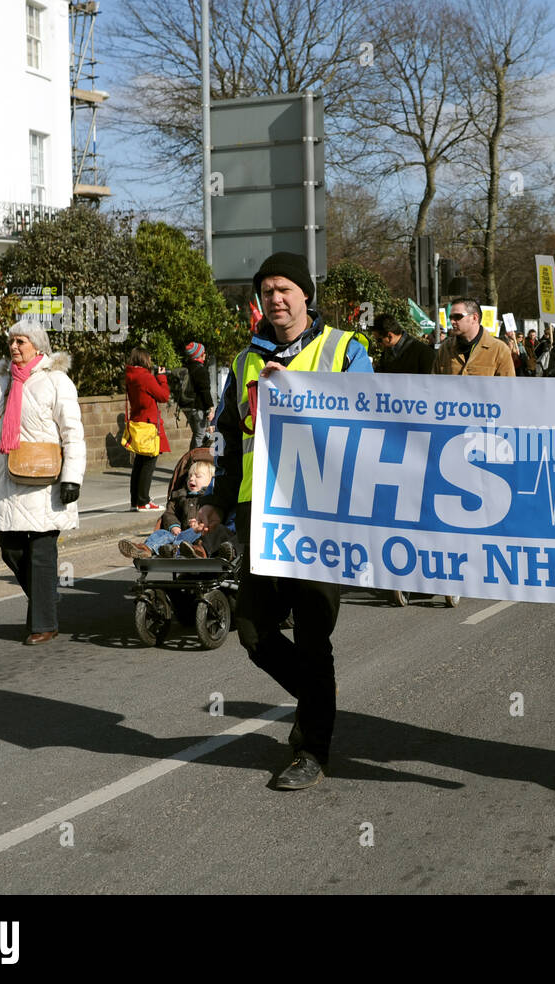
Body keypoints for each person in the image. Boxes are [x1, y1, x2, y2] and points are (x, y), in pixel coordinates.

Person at [193, 251, 372, 791]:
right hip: (262, 513)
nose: (275, 298)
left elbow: (371, 412)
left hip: (321, 511)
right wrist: (217, 500)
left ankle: (311, 749)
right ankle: (319, 696)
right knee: (253, 631)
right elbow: (228, 437)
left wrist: (298, 389)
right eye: (267, 290)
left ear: (305, 295)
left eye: (285, 289)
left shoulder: (344, 349)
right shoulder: (244, 361)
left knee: (314, 635)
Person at [0, 319, 85, 645]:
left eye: (21, 341)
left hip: (48, 482)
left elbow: (73, 434)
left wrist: (72, 478)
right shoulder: (2, 384)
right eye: (12, 341)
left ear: (37, 345)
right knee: (10, 548)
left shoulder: (57, 381)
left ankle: (44, 624)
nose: (14, 346)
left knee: (42, 553)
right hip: (10, 482)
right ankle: (47, 598)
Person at [117, 459, 235, 559]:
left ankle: (175, 550)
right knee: (161, 533)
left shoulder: (210, 501)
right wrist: (174, 525)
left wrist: (200, 524)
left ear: (210, 481)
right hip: (178, 533)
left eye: (198, 476)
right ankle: (146, 549)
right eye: (189, 476)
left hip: (197, 535)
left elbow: (217, 518)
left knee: (199, 535)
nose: (191, 479)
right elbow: (170, 513)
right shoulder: (180, 496)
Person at [124, 347, 170, 511]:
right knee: (149, 463)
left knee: (139, 463)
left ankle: (135, 501)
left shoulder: (131, 375)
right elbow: (163, 396)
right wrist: (162, 378)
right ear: (144, 359)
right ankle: (143, 501)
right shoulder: (145, 377)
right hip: (149, 423)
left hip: (138, 422)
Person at [432, 297, 515, 375]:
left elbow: (507, 384)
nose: (452, 321)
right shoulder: (445, 349)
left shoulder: (499, 350)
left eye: (457, 317)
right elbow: (435, 382)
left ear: (475, 318)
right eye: (451, 317)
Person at [181, 341, 216, 450]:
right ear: (199, 354)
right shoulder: (200, 370)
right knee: (200, 435)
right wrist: (210, 407)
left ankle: (191, 457)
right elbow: (205, 391)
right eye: (204, 352)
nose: (205, 355)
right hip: (197, 407)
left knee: (197, 434)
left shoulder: (187, 367)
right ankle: (196, 458)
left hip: (187, 406)